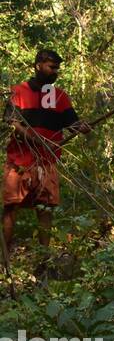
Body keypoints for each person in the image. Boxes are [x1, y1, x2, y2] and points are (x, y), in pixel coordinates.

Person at [2, 49, 92, 263]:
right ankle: (4, 260)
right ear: (38, 65)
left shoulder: (59, 96)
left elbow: (73, 124)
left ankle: (43, 262)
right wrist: (32, 136)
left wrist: (83, 127)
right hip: (19, 162)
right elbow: (12, 122)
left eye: (57, 68)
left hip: (47, 163)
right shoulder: (19, 91)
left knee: (45, 210)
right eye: (52, 67)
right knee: (10, 208)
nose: (55, 72)